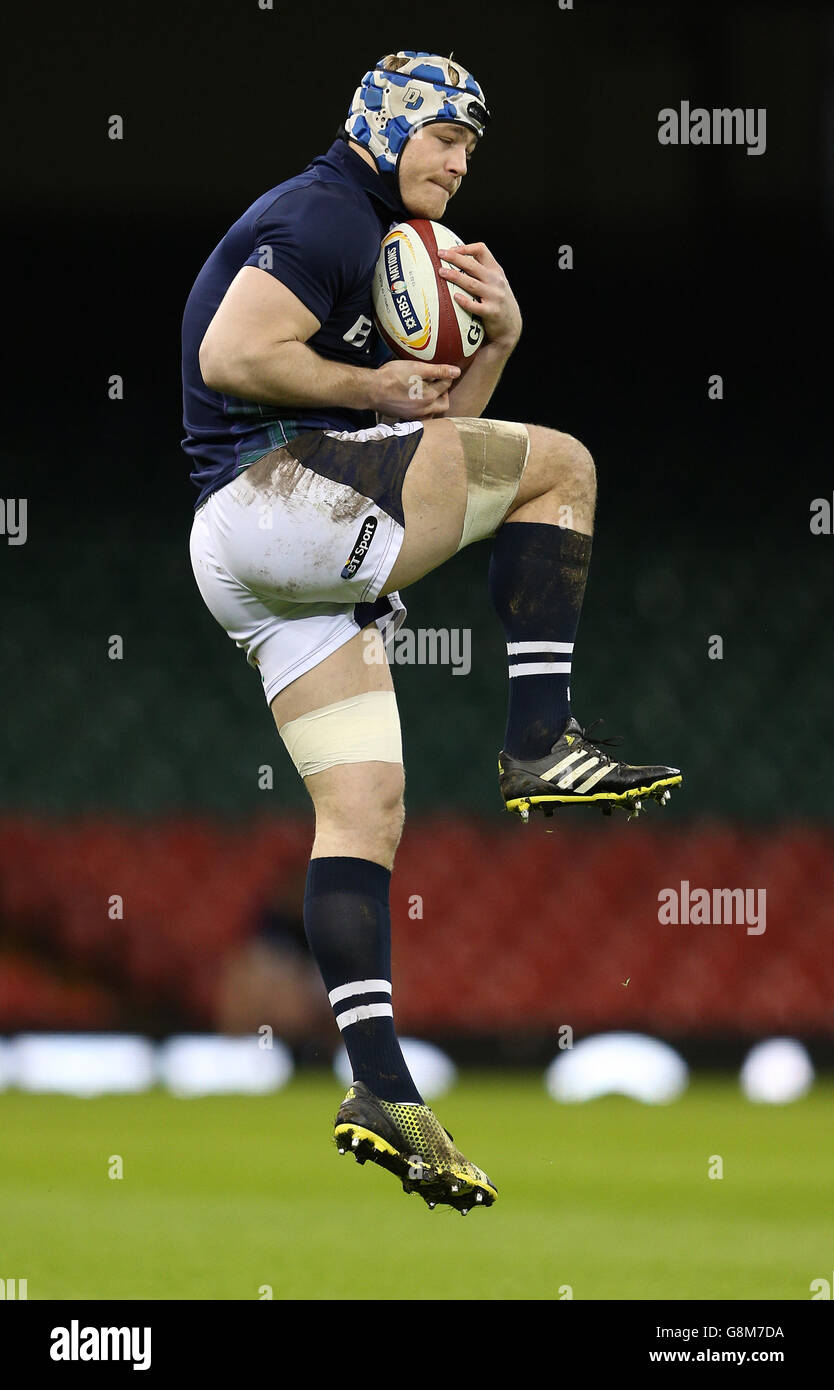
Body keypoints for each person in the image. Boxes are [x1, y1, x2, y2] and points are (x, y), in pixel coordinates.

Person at [182, 50, 682, 1215]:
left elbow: (434, 432)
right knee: (564, 465)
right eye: (448, 135)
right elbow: (230, 355)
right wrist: (372, 391)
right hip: (278, 500)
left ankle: (380, 1088)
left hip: (254, 550)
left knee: (364, 812)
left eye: (471, 146)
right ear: (387, 126)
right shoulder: (325, 210)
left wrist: (497, 341)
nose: (462, 161)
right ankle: (540, 739)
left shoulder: (387, 237)